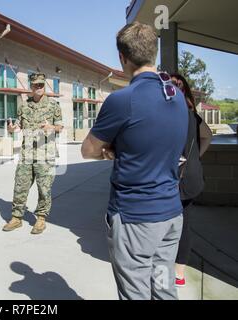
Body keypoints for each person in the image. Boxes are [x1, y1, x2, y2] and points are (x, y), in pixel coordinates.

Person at [81, 22, 188, 300]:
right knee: (164, 287)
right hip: (170, 217)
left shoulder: (122, 100)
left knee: (135, 293)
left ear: (122, 58)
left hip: (136, 219)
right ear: (154, 53)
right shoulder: (176, 96)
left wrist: (108, 150)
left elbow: (88, 150)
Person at [2, 73, 64, 234]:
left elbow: (60, 127)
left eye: (41, 85)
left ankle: (41, 219)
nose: (38, 88)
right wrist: (12, 129)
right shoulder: (23, 105)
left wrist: (51, 127)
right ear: (31, 86)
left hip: (45, 153)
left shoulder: (53, 105)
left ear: (44, 86)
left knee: (44, 189)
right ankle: (16, 218)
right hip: (27, 153)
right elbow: (18, 126)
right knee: (20, 185)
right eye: (35, 85)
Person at [171, 73, 212, 287]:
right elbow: (208, 135)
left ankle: (173, 270)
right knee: (184, 224)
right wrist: (196, 156)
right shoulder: (191, 115)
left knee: (173, 225)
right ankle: (178, 273)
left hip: (177, 179)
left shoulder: (174, 114)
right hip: (188, 178)